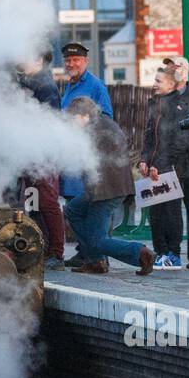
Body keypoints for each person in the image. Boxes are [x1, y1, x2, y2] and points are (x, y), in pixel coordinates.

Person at [62, 97, 154, 276]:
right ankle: (95, 260)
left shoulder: (95, 130)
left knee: (97, 240)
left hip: (105, 191)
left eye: (74, 118)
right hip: (105, 187)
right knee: (73, 210)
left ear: (84, 116)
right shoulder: (102, 123)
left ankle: (140, 253)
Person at [138, 56, 189, 270]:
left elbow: (184, 136)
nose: (175, 68)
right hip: (165, 165)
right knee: (165, 211)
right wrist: (145, 159)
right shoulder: (160, 100)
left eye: (179, 65)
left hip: (188, 164)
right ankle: (166, 252)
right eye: (171, 66)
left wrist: (163, 162)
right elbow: (152, 135)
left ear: (188, 71)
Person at [15, 50, 66, 267]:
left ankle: (57, 252)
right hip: (28, 151)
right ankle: (42, 247)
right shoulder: (26, 82)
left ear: (37, 60)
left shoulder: (45, 87)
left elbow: (48, 122)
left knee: (47, 202)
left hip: (43, 153)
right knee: (33, 202)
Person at [58, 42, 114, 204]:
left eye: (76, 60)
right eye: (68, 60)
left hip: (86, 155)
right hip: (70, 154)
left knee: (82, 204)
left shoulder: (96, 86)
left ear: (85, 61)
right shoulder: (70, 85)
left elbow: (106, 118)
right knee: (70, 203)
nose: (71, 64)